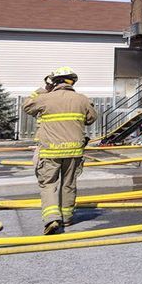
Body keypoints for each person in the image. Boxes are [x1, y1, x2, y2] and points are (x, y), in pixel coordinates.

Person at [23, 66, 98, 234]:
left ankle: (52, 218)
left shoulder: (45, 98)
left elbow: (27, 106)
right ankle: (67, 217)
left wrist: (42, 90)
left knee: (48, 184)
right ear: (72, 82)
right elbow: (91, 118)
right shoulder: (82, 99)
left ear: (54, 82)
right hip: (74, 152)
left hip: (50, 151)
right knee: (68, 184)